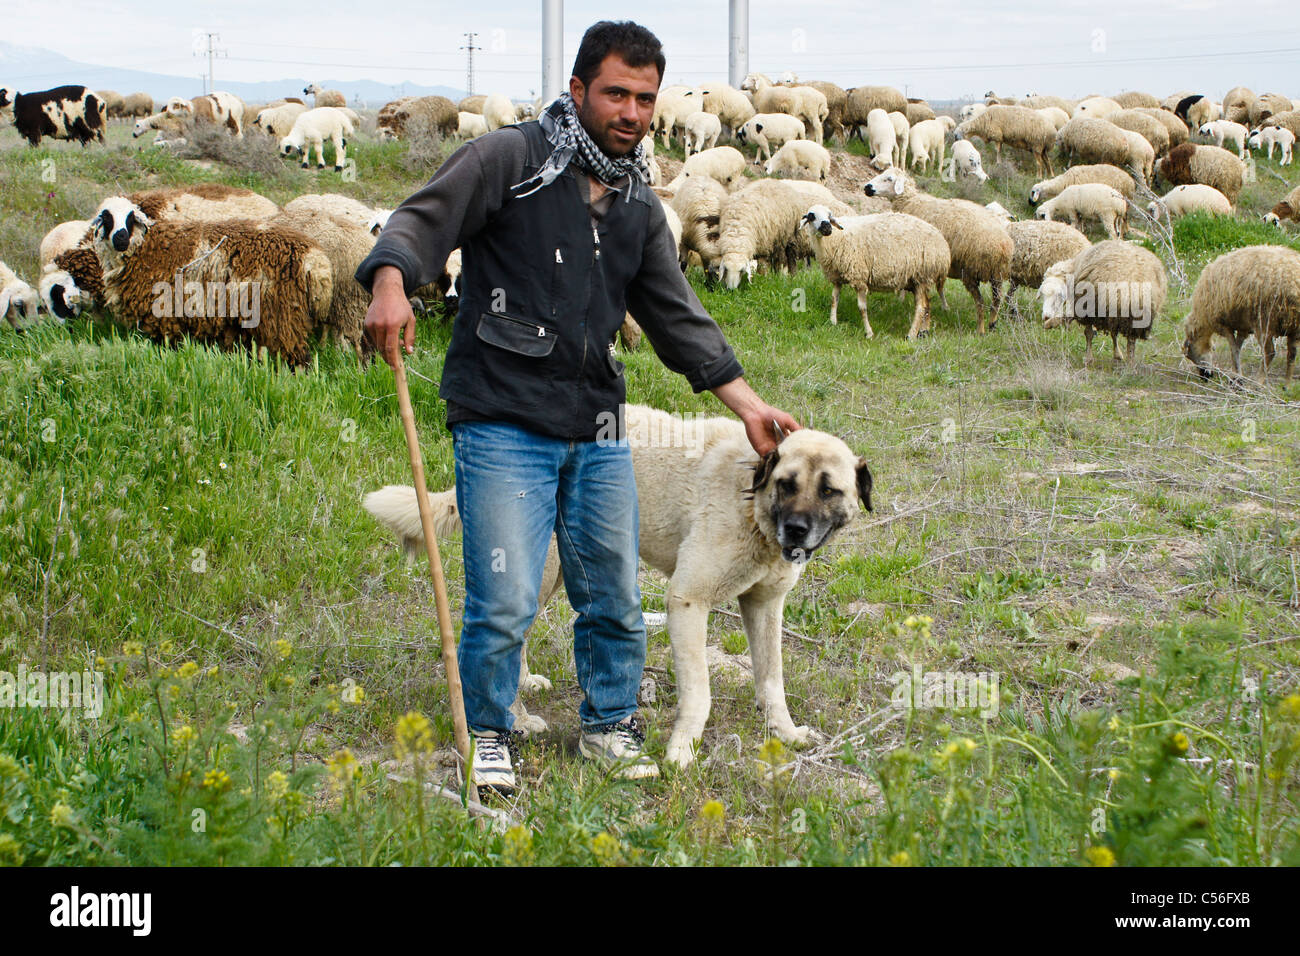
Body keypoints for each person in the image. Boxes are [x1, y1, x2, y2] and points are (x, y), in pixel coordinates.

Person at [357, 20, 800, 794]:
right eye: (616, 94)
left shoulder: (635, 201)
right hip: (501, 414)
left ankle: (608, 724)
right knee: (507, 590)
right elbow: (423, 218)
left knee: (611, 591)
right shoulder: (510, 160)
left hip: (598, 422)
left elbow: (675, 314)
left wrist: (748, 405)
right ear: (577, 91)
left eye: (645, 98)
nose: (631, 112)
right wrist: (393, 279)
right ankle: (488, 732)